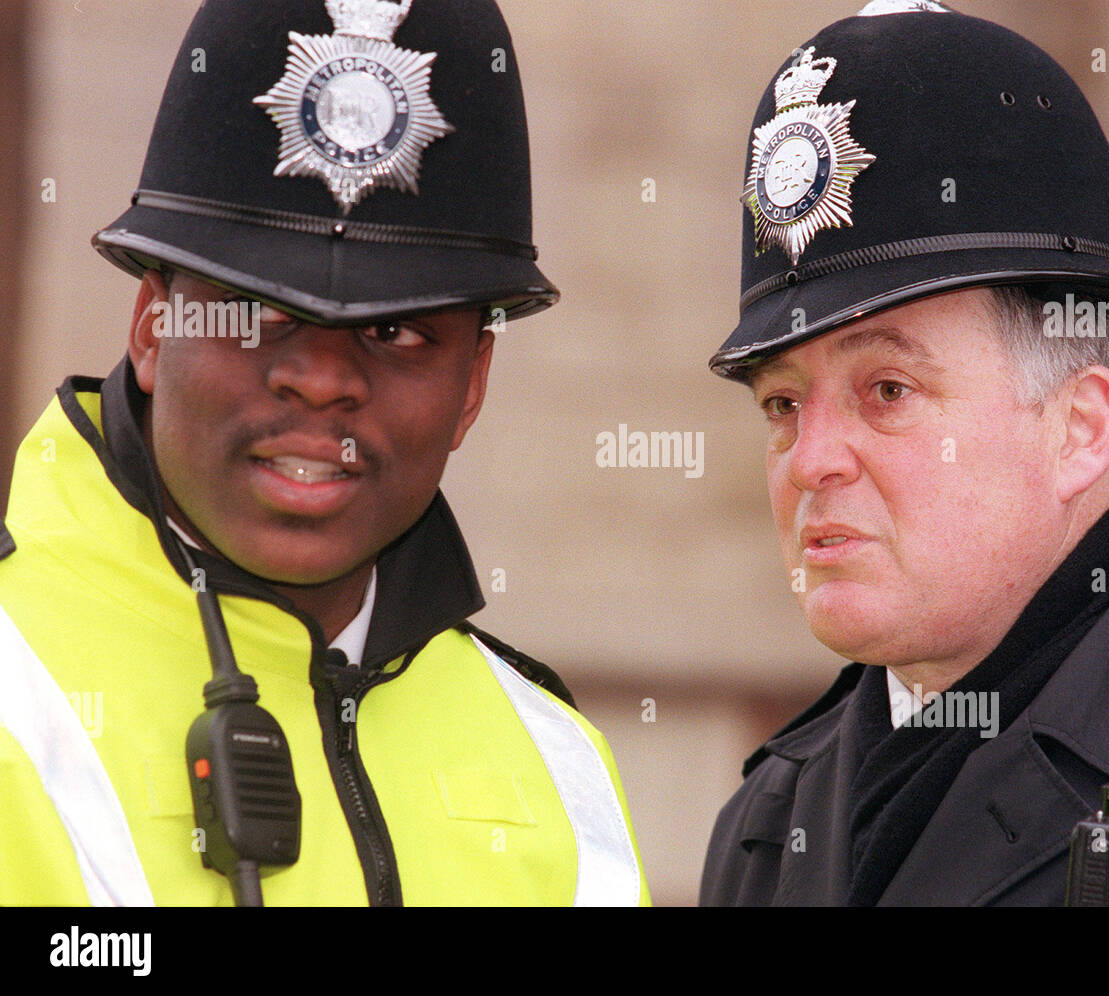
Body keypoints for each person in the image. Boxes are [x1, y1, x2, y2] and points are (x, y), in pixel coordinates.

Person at [0, 0, 647, 906]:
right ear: (152, 329)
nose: (319, 379)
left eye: (393, 330)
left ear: (472, 386)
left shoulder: (555, 759)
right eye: (257, 312)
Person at [699, 0, 1109, 906]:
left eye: (888, 392)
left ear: (1079, 430)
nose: (810, 459)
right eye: (782, 403)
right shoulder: (765, 821)